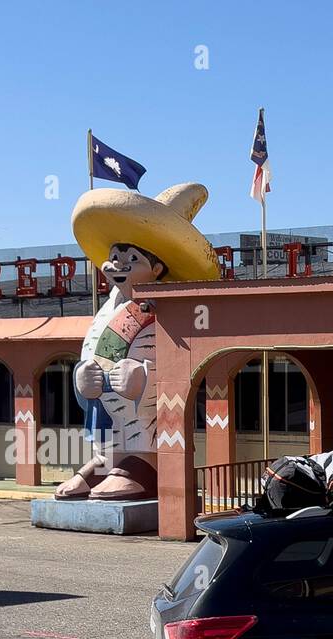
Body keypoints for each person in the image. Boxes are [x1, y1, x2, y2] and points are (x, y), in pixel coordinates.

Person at [56, 183, 219, 500]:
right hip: (104, 412)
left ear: (157, 269)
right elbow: (91, 351)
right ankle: (106, 464)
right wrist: (82, 378)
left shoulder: (166, 311)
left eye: (131, 258)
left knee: (140, 427)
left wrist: (144, 377)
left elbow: (177, 365)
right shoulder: (107, 309)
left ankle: (143, 466)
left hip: (145, 423)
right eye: (114, 256)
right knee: (105, 429)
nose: (117, 264)